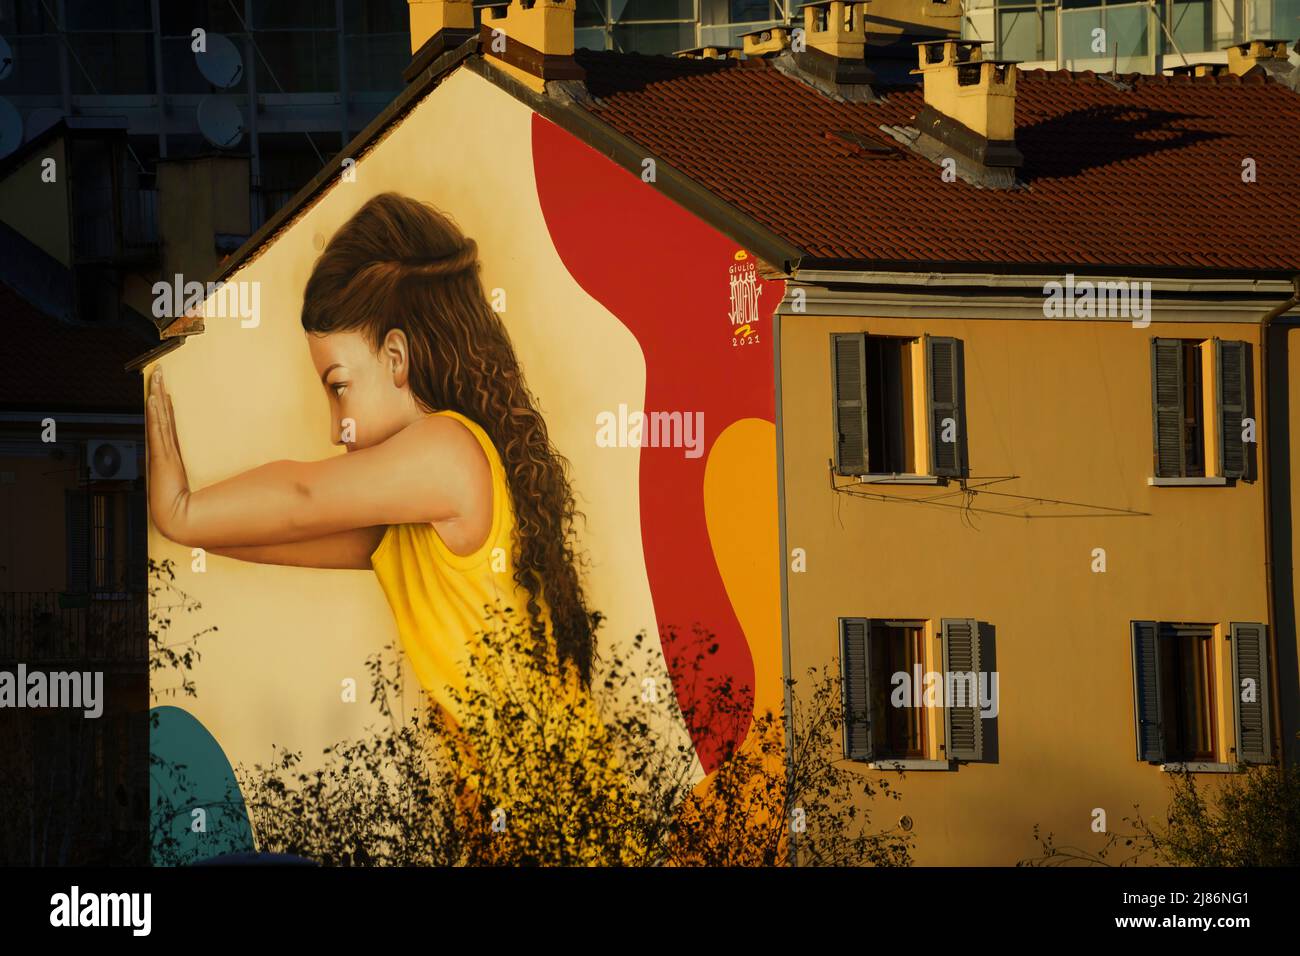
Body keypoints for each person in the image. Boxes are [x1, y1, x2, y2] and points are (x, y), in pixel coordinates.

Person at [147, 192, 638, 861]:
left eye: (339, 385)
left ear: (398, 357)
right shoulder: (407, 522)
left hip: (560, 832)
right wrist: (186, 527)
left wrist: (183, 509)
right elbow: (288, 531)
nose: (332, 424)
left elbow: (302, 494)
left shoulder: (448, 453)